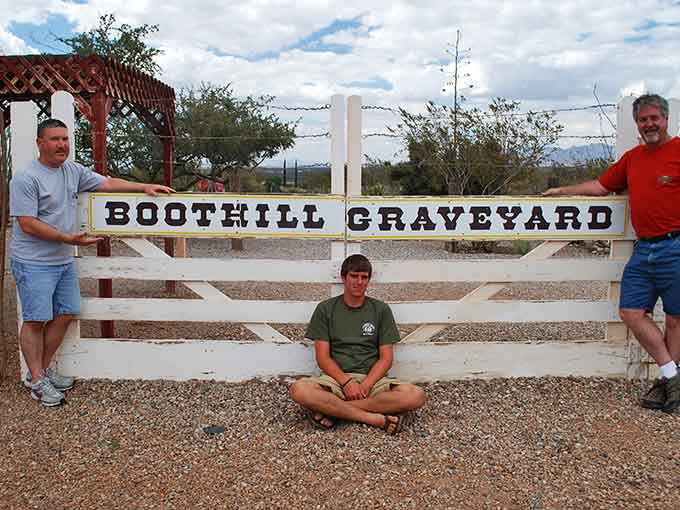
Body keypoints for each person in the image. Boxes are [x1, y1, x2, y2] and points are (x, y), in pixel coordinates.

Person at [10, 118, 174, 407]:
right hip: (33, 261)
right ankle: (36, 380)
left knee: (68, 310)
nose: (61, 144)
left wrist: (143, 186)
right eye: (54, 139)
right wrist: (69, 239)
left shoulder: (72, 171)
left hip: (61, 260)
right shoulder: (26, 178)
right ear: (40, 143)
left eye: (64, 139)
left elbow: (107, 182)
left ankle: (41, 372)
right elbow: (27, 223)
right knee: (35, 319)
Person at [543, 93, 680, 414]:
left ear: (665, 119)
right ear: (637, 124)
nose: (649, 124)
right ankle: (672, 375)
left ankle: (670, 385)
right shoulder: (633, 159)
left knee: (675, 318)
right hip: (644, 247)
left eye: (653, 118)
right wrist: (563, 191)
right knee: (631, 312)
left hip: (676, 245)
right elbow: (602, 186)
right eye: (643, 120)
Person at [289, 254, 426, 434]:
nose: (359, 282)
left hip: (372, 380)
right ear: (343, 277)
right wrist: (346, 383)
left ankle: (334, 411)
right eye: (354, 276)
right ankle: (373, 418)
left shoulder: (381, 310)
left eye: (364, 277)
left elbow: (386, 359)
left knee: (416, 396)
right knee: (299, 390)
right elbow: (322, 357)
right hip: (335, 381)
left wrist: (366, 385)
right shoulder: (326, 309)